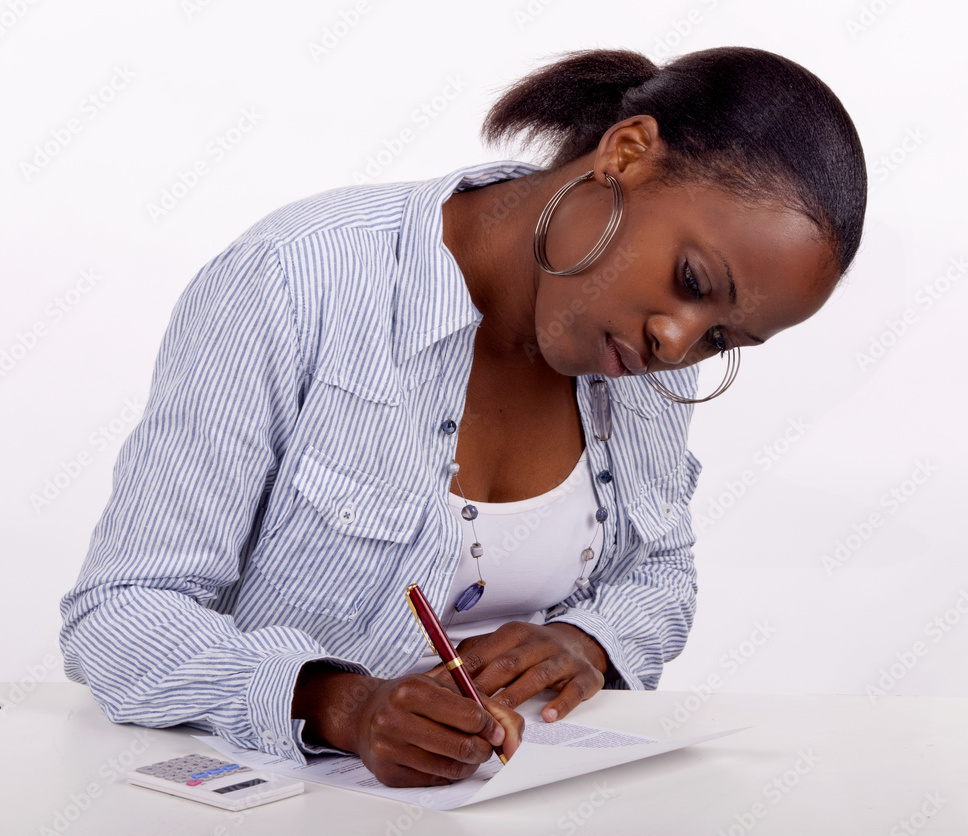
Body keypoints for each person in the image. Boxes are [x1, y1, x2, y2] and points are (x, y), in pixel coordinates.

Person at [60, 47, 866, 788]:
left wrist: (585, 644)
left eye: (723, 337)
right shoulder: (296, 281)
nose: (676, 341)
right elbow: (121, 612)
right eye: (692, 280)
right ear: (624, 154)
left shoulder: (631, 354)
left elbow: (658, 574)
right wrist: (344, 707)